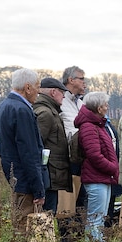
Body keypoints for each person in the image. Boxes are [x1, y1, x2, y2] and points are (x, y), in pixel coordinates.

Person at [0, 68, 49, 229]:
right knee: (28, 229)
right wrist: (38, 190)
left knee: (19, 225)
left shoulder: (4, 106)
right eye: (37, 87)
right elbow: (29, 153)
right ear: (28, 87)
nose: (38, 92)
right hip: (26, 182)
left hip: (16, 178)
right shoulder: (21, 110)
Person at [73, 91, 119, 242]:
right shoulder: (88, 127)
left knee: (99, 218)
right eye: (105, 105)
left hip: (103, 178)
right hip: (96, 179)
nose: (107, 107)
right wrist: (113, 167)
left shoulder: (97, 125)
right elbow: (94, 155)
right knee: (95, 219)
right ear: (99, 108)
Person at [33, 78, 72, 212]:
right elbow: (37, 146)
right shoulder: (46, 113)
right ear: (54, 92)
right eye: (62, 93)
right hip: (48, 176)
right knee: (46, 216)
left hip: (51, 176)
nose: (64, 96)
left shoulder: (50, 111)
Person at [61, 66, 87, 138]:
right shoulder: (60, 101)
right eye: (81, 79)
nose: (84, 83)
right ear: (71, 80)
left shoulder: (81, 103)